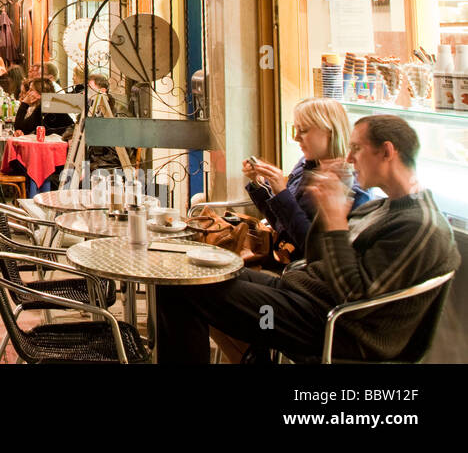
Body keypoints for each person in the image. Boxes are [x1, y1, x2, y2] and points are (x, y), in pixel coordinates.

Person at [156, 114, 460, 363]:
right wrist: (329, 216)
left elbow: (354, 295)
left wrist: (337, 220)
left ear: (387, 151)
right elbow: (315, 257)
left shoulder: (418, 225)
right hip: (298, 293)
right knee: (186, 277)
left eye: (357, 148)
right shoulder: (385, 206)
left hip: (328, 325)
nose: (350, 158)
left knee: (182, 291)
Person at [242, 98, 371, 261]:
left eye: (303, 130)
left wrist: (281, 193)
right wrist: (260, 184)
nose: (296, 138)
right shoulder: (305, 165)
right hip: (284, 260)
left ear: (330, 131)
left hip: (306, 273)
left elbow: (315, 251)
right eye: (296, 130)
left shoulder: (354, 188)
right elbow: (282, 226)